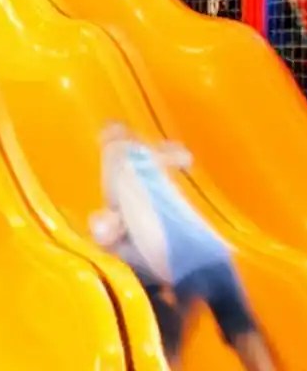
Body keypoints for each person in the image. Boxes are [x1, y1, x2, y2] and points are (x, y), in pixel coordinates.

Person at [89, 122, 276, 371]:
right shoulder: (150, 162)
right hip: (215, 253)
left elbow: (111, 228)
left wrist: (99, 235)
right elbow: (182, 156)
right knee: (242, 329)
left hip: (179, 264)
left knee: (165, 342)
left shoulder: (118, 166)